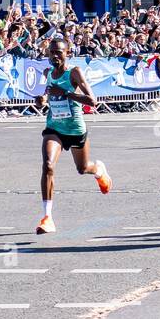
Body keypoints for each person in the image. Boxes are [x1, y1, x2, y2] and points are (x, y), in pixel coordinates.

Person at [35, 36, 111, 235]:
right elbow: (49, 92)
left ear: (67, 53)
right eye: (51, 52)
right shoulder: (48, 72)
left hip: (75, 128)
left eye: (59, 52)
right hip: (54, 127)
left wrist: (66, 93)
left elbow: (91, 101)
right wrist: (43, 99)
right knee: (48, 165)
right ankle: (47, 217)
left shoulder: (74, 73)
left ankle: (99, 170)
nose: (54, 56)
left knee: (83, 168)